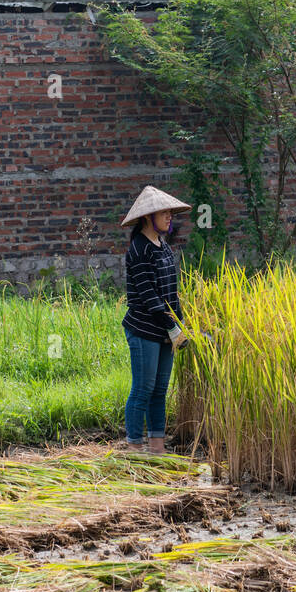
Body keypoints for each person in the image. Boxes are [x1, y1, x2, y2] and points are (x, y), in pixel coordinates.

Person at [119, 185, 191, 453]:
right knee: (143, 388)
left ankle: (157, 448)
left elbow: (171, 293)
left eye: (171, 213)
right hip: (143, 329)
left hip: (164, 329)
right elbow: (149, 296)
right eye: (165, 213)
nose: (169, 217)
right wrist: (172, 328)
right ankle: (134, 448)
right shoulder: (139, 249)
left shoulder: (164, 246)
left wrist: (180, 324)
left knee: (160, 389)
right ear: (149, 216)